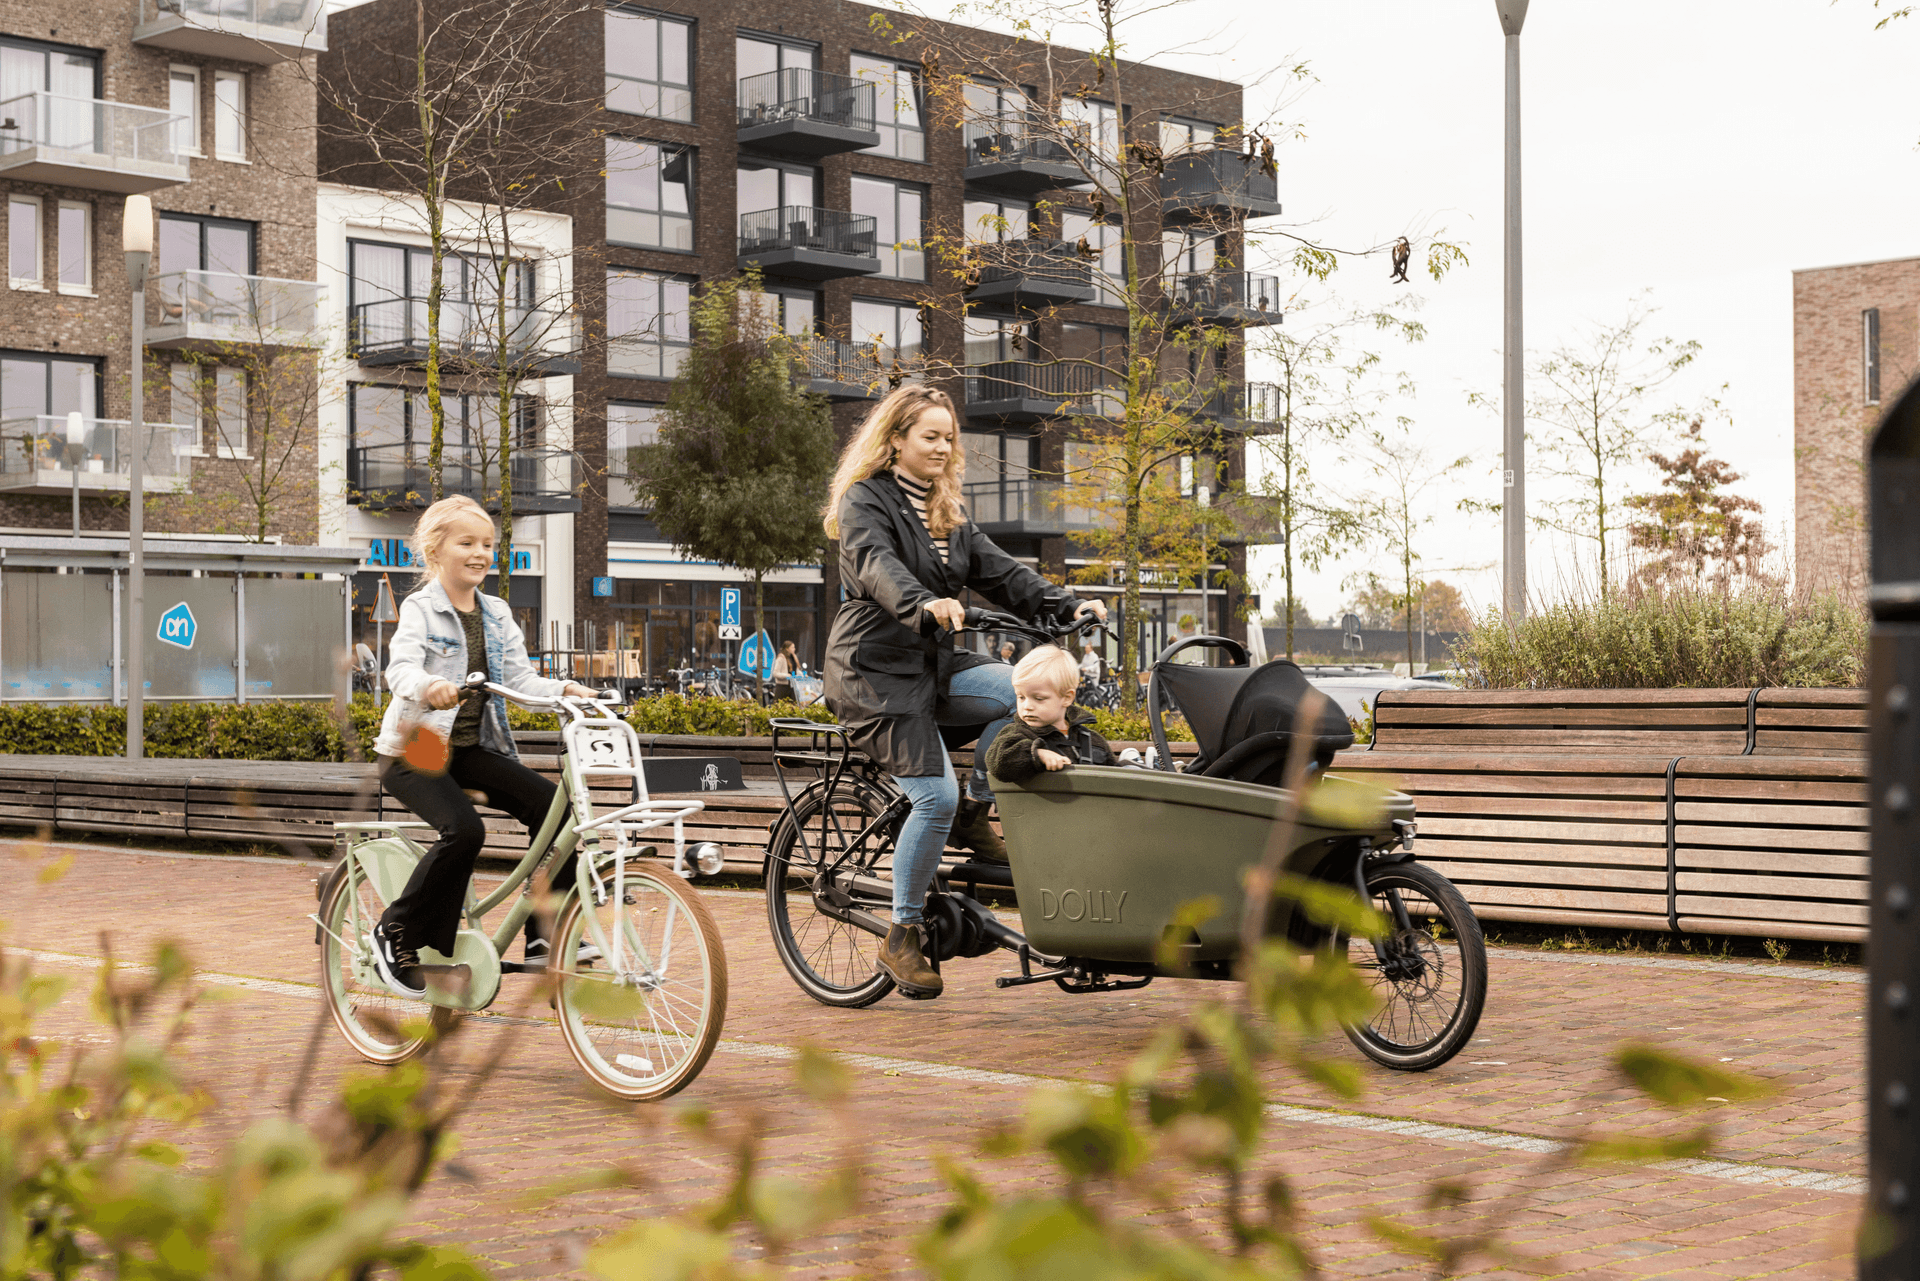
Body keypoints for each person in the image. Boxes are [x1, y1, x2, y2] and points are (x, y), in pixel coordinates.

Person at [822, 384, 1106, 999]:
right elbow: (876, 565)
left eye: (950, 438)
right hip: (873, 674)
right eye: (931, 436)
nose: (944, 447)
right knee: (932, 799)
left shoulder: (949, 513)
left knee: (1018, 692)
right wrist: (923, 603)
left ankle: (976, 807)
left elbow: (1003, 572)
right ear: (895, 439)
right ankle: (903, 934)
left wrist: (1066, 603)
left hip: (935, 667)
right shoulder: (863, 502)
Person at [369, 495, 602, 997]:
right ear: (436, 549)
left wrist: (565, 690)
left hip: (469, 751)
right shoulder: (420, 607)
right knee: (464, 831)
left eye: (488, 545)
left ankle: (545, 936)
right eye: (467, 542)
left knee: (556, 812)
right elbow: (399, 668)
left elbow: (520, 678)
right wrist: (427, 685)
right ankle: (396, 930)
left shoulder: (495, 612)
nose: (480, 553)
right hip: (416, 750)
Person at [986, 646, 1116, 785]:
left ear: (1067, 698)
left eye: (1039, 698)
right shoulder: (1016, 734)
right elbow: (998, 761)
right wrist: (1037, 754)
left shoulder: (1093, 742)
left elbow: (1116, 782)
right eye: (1021, 697)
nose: (1027, 706)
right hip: (1034, 806)